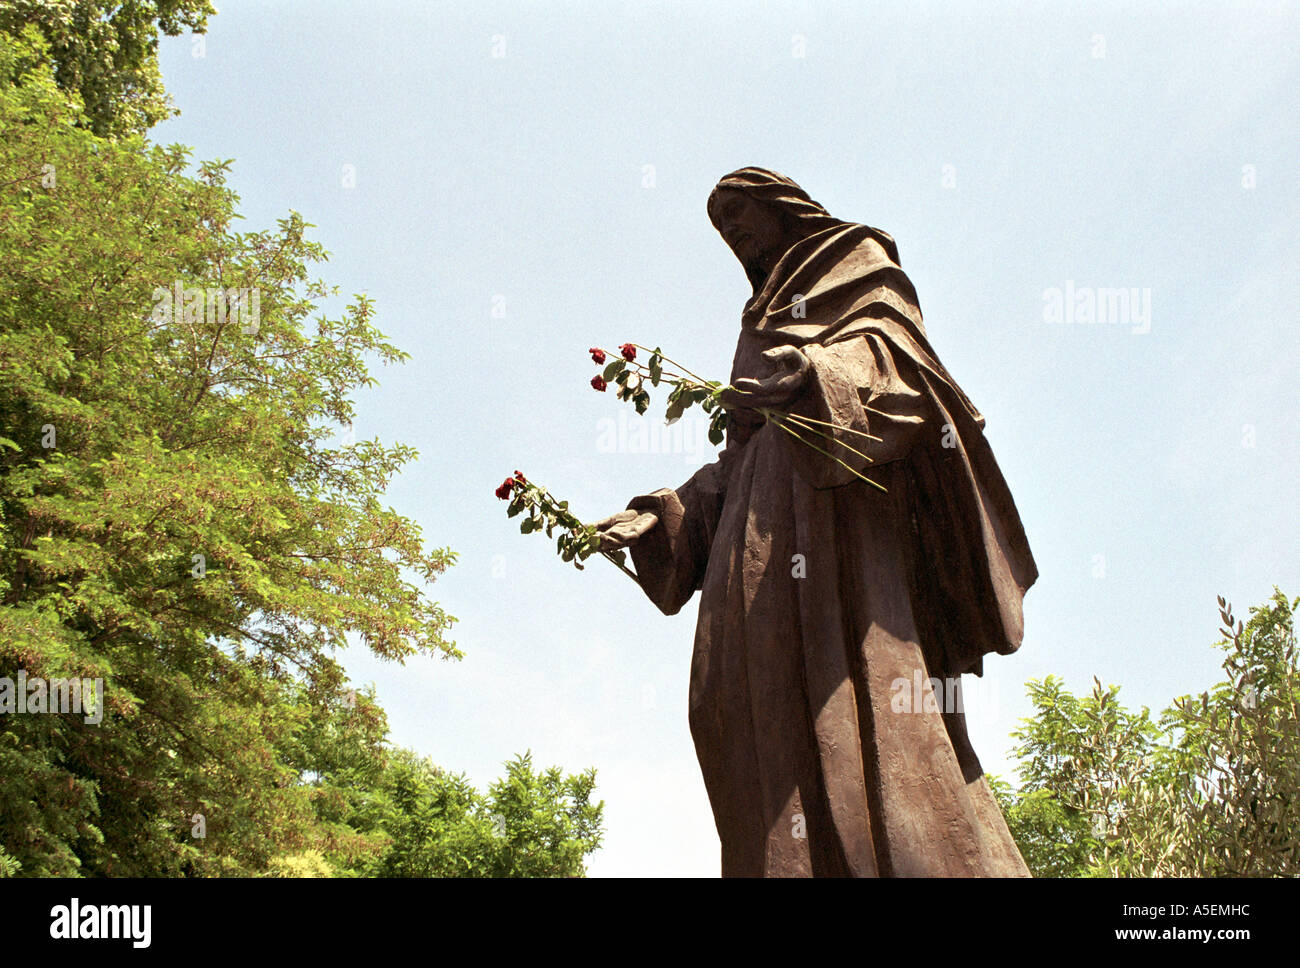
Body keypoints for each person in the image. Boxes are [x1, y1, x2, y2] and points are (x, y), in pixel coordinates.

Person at [595, 167, 1038, 877]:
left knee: (859, 707)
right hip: (755, 532)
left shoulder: (853, 257)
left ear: (783, 206)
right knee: (731, 704)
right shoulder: (757, 318)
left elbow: (904, 366)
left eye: (739, 210)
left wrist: (819, 374)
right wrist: (663, 518)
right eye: (719, 224)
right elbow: (737, 460)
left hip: (837, 522)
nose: (731, 229)